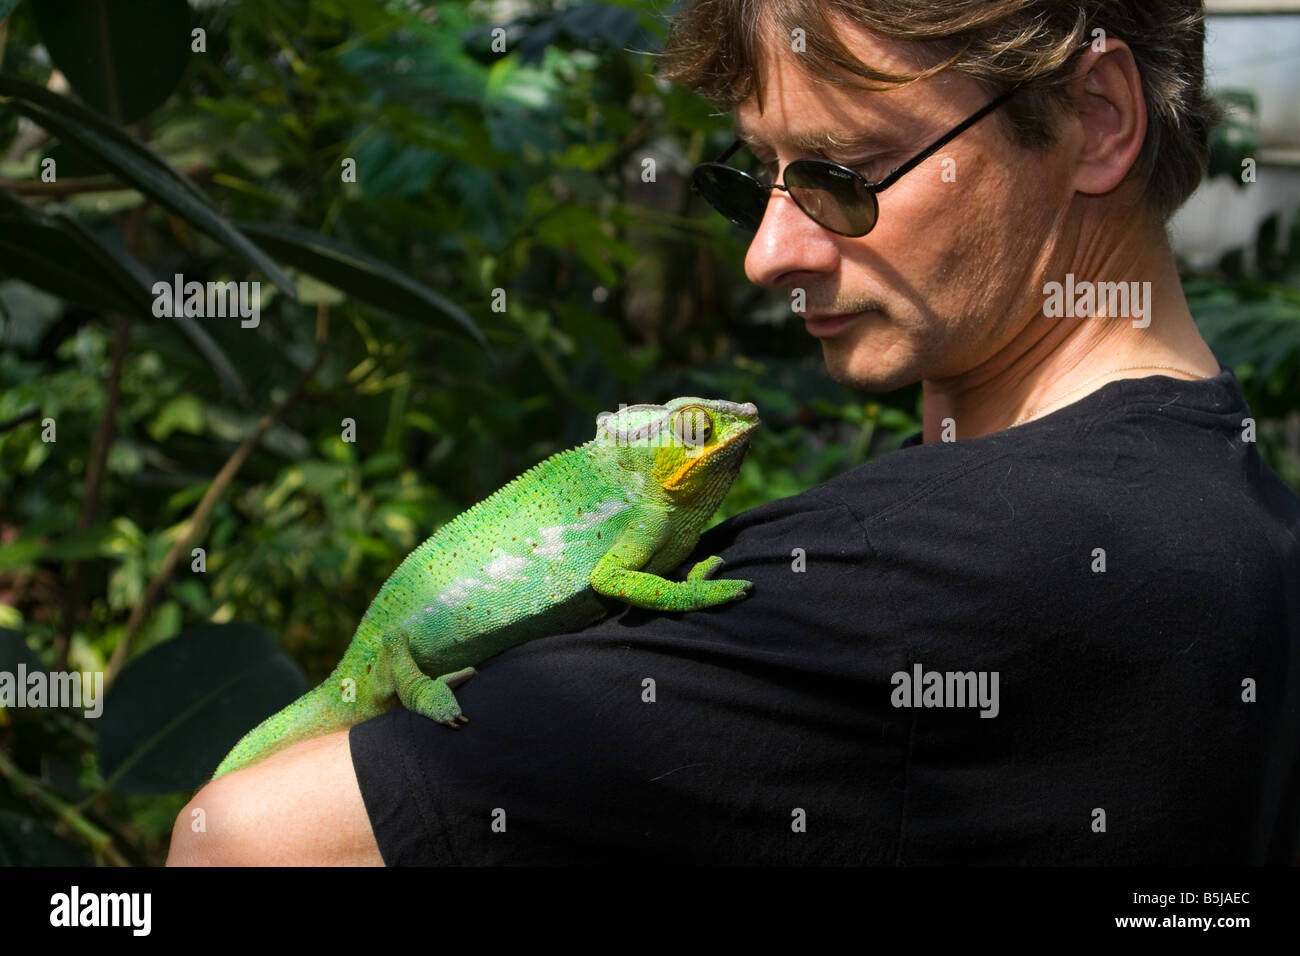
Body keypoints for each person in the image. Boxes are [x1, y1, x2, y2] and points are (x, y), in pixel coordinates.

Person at [166, 0, 1300, 865]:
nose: (768, 253)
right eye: (758, 174)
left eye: (848, 172)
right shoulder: (1246, 516)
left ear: (1096, 120)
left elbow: (235, 836)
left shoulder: (904, 574)